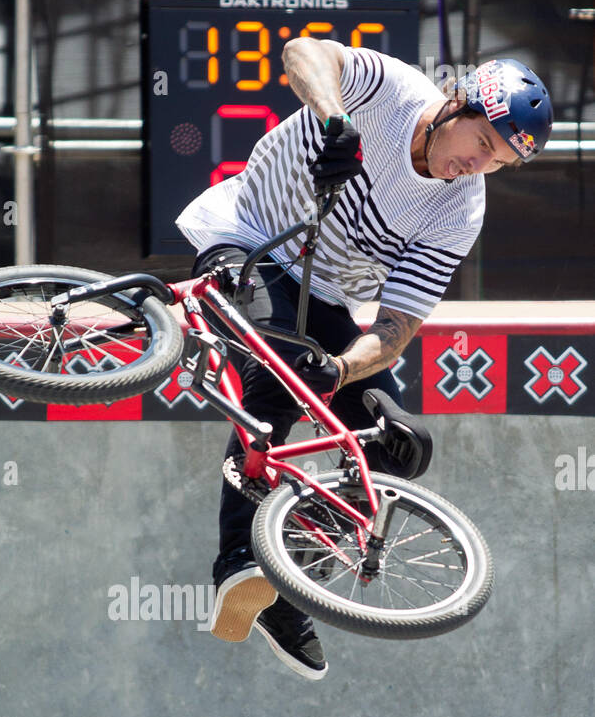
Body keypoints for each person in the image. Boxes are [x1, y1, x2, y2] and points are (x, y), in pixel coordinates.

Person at [176, 43, 552, 680]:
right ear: (457, 103)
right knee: (274, 378)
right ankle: (238, 558)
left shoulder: (460, 211)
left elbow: (399, 324)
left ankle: (286, 575)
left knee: (399, 444)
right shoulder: (393, 89)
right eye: (483, 141)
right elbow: (302, 53)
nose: (479, 164)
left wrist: (343, 370)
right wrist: (334, 120)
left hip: (322, 295)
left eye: (500, 160)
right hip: (245, 241)